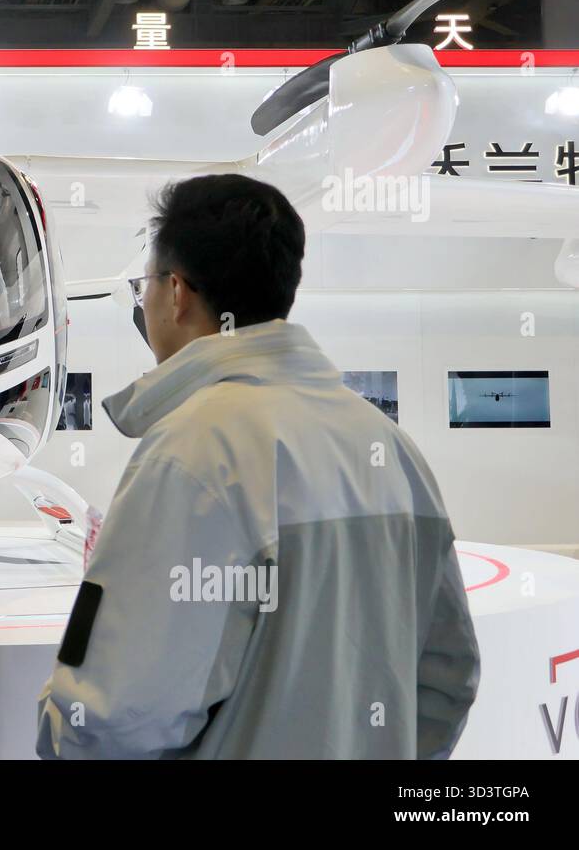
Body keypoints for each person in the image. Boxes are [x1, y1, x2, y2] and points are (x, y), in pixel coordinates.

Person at [36, 173, 480, 759]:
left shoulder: (191, 453)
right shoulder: (390, 449)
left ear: (175, 292)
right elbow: (449, 675)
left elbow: (116, 716)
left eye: (143, 285)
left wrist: (57, 733)